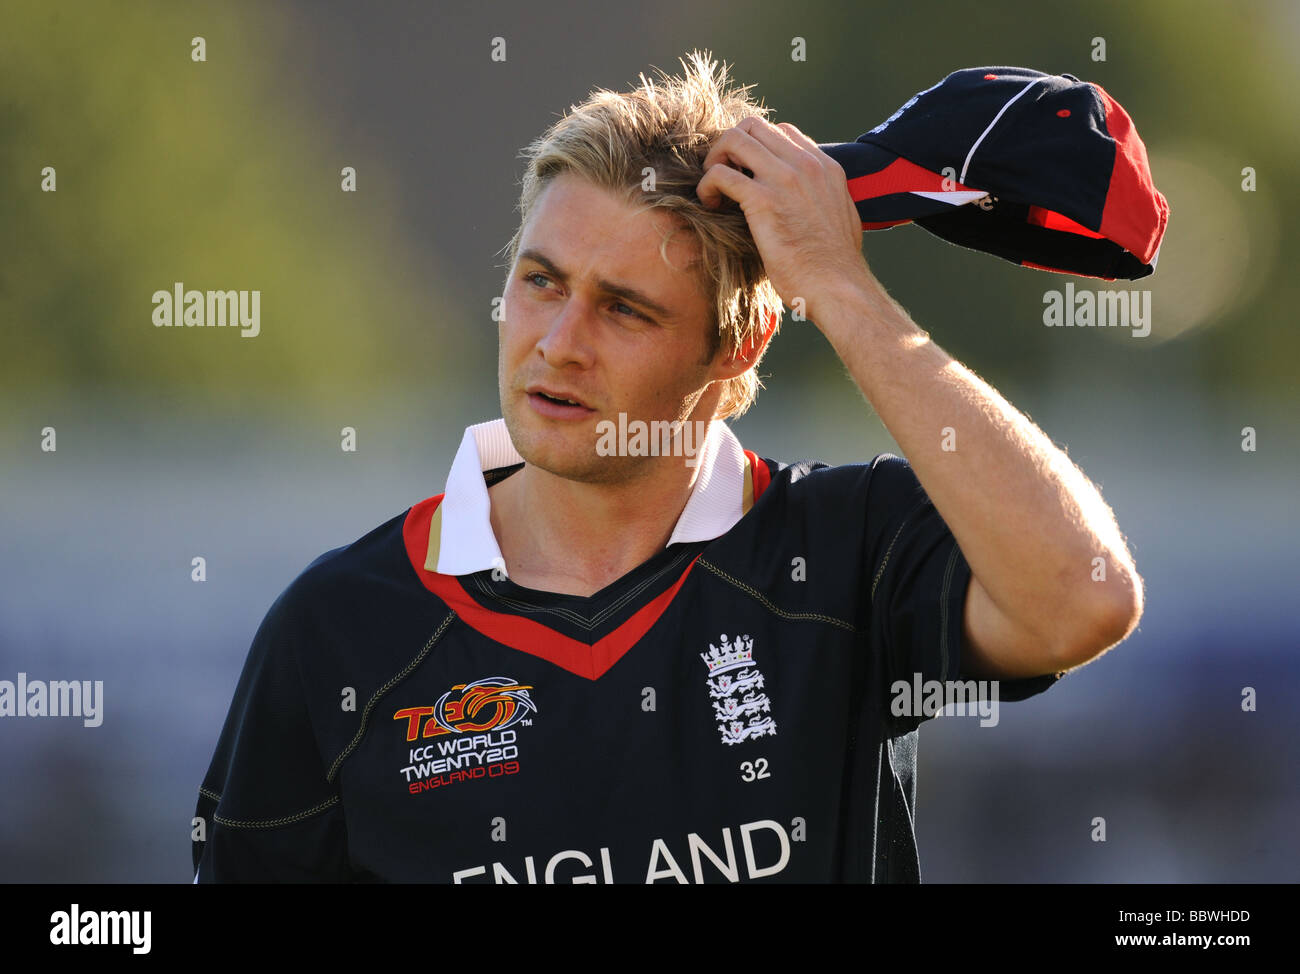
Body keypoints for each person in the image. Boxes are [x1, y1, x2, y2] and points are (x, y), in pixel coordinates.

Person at [192, 50, 1142, 884]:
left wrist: (838, 281)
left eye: (625, 309)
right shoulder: (337, 629)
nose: (558, 344)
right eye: (540, 282)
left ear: (740, 345)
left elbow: (1082, 599)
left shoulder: (845, 548)